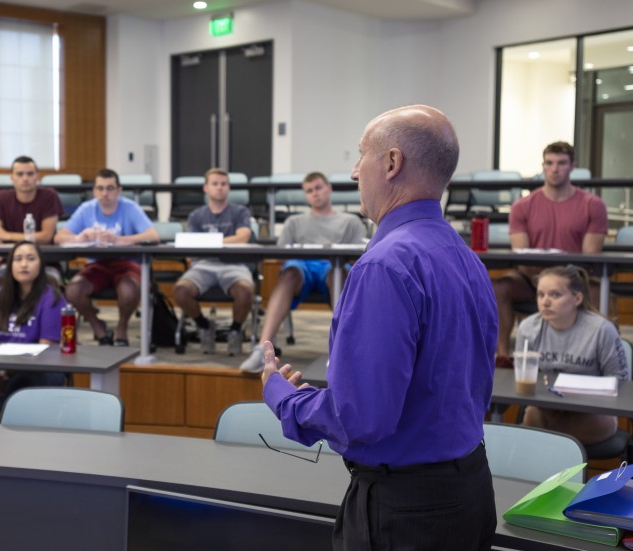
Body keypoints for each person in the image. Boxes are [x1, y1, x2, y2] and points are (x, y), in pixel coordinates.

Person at [261, 105, 498, 549]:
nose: (353, 172)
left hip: (406, 512)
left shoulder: (385, 265)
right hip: (471, 492)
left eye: (361, 155)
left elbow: (362, 418)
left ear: (391, 163)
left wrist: (284, 399)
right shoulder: (466, 257)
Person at [492, 141, 606, 367]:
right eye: (550, 163)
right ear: (543, 166)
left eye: (561, 163)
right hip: (532, 279)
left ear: (573, 166)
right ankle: (503, 357)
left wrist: (559, 278)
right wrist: (545, 280)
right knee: (500, 286)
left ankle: (592, 358)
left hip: (575, 279)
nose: (555, 169)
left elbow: (590, 256)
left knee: (596, 286)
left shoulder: (593, 205)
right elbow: (521, 257)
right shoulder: (522, 206)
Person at [240, 172, 367, 372]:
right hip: (303, 267)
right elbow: (282, 255)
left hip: (333, 266)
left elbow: (360, 255)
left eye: (318, 188)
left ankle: (345, 350)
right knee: (290, 271)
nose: (315, 194)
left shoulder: (350, 221)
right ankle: (262, 350)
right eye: (309, 191)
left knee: (341, 273)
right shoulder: (294, 222)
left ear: (329, 189)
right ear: (305, 195)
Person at [517, 265, 627, 444]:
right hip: (547, 407)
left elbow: (621, 381)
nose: (545, 302)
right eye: (540, 294)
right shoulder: (528, 328)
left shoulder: (601, 330)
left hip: (593, 410)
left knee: (537, 429)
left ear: (577, 298)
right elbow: (524, 375)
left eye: (555, 295)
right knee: (533, 415)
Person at [0, 241, 66, 421]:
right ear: (10, 265)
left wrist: (6, 373)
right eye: (18, 259)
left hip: (39, 368)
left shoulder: (52, 297)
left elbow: (46, 349)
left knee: (18, 385)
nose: (24, 264)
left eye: (30, 259)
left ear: (41, 264)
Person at [54, 168, 159, 346]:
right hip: (97, 265)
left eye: (110, 188)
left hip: (127, 265)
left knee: (128, 291)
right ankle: (98, 327)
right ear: (94, 191)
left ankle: (122, 327)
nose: (105, 193)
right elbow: (58, 238)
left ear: (119, 190)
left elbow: (153, 236)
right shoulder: (87, 209)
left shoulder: (130, 207)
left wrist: (120, 240)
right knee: (72, 290)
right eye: (100, 188)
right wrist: (78, 238)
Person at [173, 168, 253, 356]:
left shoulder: (240, 212)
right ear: (206, 188)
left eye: (223, 184)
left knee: (245, 291)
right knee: (180, 291)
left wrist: (211, 241)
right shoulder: (196, 216)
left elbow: (243, 236)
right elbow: (192, 244)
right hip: (203, 265)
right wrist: (225, 241)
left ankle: (235, 331)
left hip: (234, 264)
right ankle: (204, 326)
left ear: (229, 187)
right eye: (215, 184)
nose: (219, 188)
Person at [0, 156, 64, 307]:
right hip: (10, 264)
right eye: (20, 174)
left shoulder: (49, 196)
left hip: (46, 263)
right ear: (11, 177)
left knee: (50, 297)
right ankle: (5, 330)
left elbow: (45, 236)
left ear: (37, 176)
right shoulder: (2, 198)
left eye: (30, 174)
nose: (25, 178)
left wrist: (6, 235)